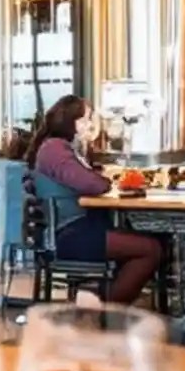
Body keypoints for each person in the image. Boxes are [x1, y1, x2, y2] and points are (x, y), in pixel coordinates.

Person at [24, 95, 163, 305]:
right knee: (151, 250)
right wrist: (103, 178)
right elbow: (93, 185)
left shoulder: (58, 147)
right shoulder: (54, 149)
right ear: (73, 121)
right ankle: (103, 308)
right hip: (68, 235)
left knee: (151, 238)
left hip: (76, 228)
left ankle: (100, 300)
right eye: (87, 119)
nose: (90, 125)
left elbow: (85, 177)